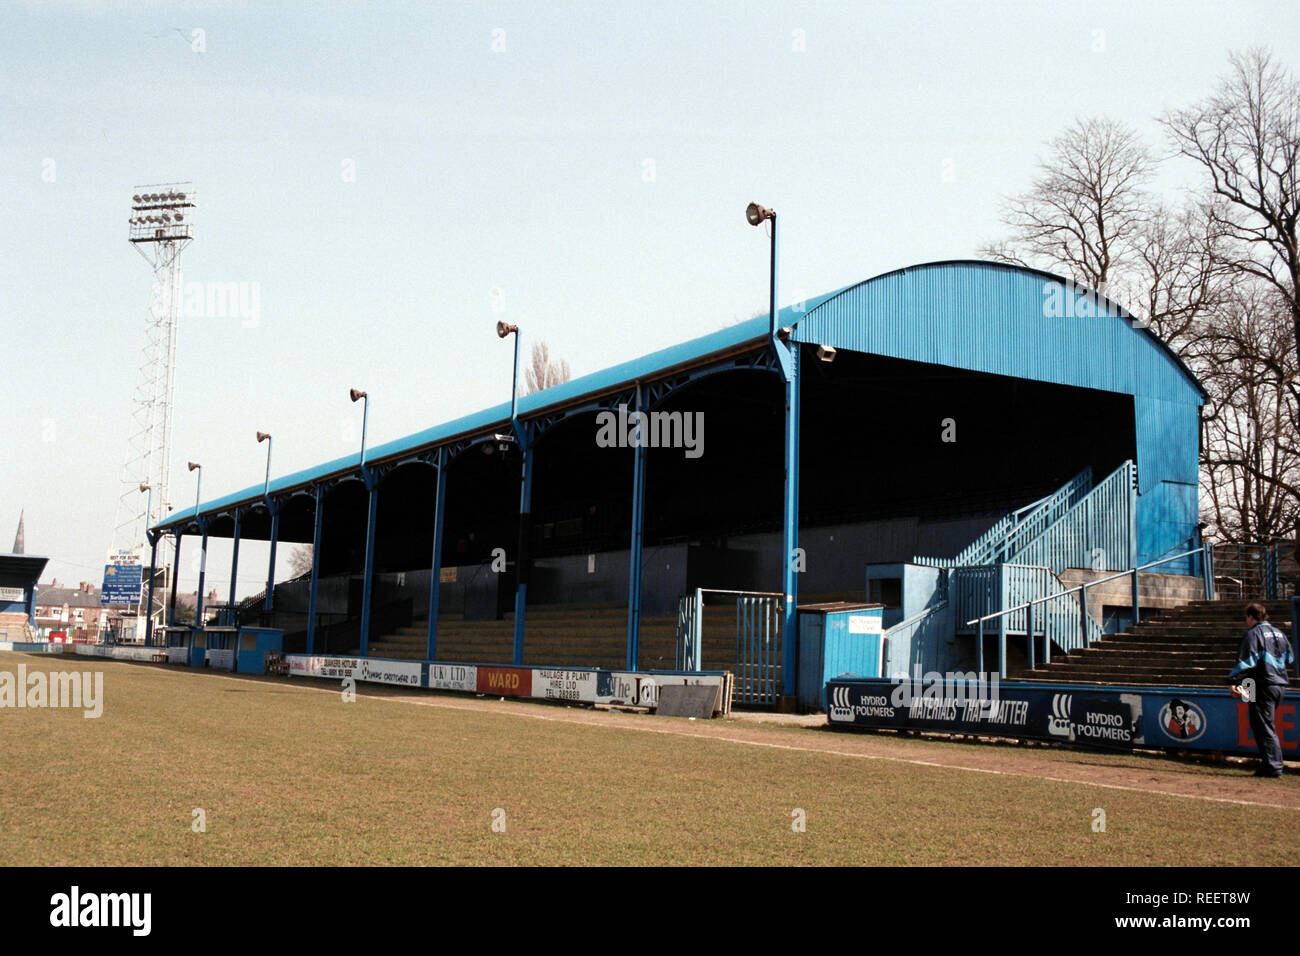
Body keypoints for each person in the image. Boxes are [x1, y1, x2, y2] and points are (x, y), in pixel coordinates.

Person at [1227, 602, 1295, 778]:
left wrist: (1234, 681)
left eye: (1247, 618)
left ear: (1251, 617)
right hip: (1279, 683)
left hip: (1262, 684)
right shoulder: (1279, 633)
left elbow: (1246, 662)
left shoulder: (1254, 634)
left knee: (1263, 726)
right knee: (1263, 724)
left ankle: (1273, 766)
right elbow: (1290, 658)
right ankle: (1269, 764)